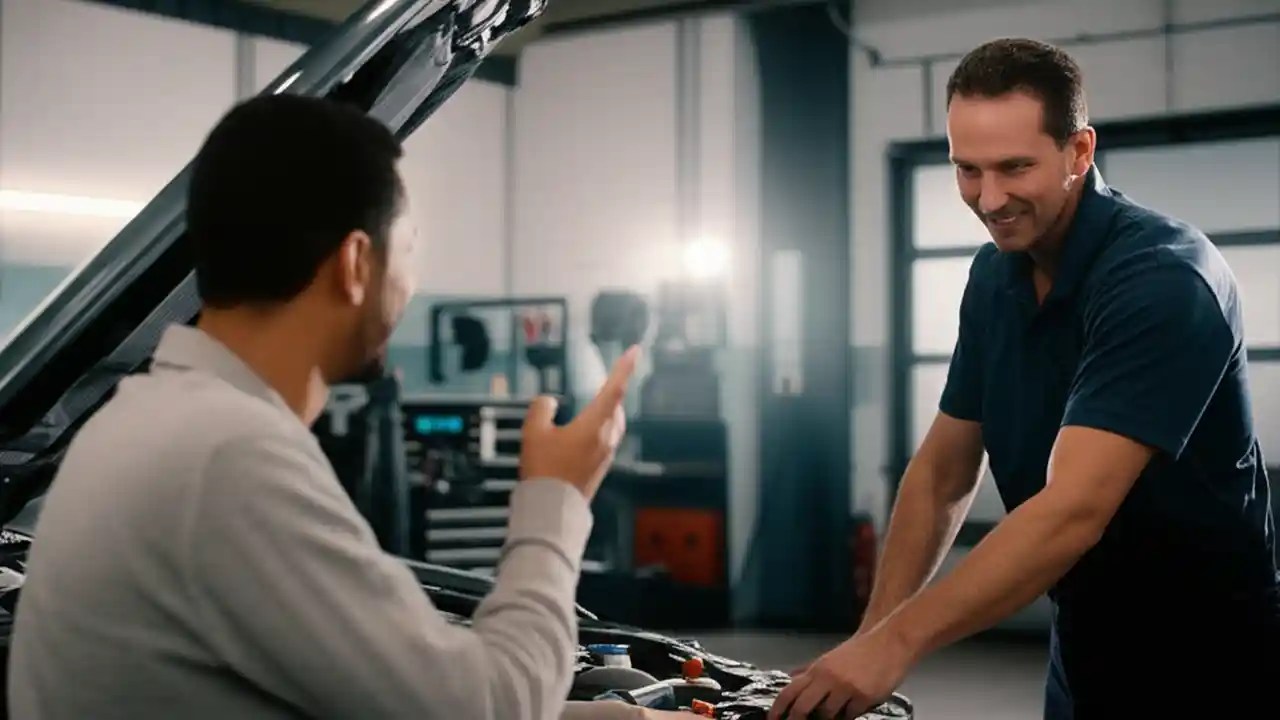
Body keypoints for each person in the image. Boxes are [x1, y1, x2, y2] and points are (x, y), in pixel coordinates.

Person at [7, 94, 689, 720]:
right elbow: (486, 705)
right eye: (411, 251)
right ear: (357, 263)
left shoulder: (146, 423)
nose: (411, 282)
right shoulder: (227, 456)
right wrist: (555, 499)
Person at [771, 38, 1278, 719]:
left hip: (1211, 656)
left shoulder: (1163, 279)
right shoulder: (993, 277)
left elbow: (1073, 509)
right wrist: (871, 637)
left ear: (1079, 151)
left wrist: (899, 644)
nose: (990, 198)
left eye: (1014, 167)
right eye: (967, 170)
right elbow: (942, 474)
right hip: (1085, 641)